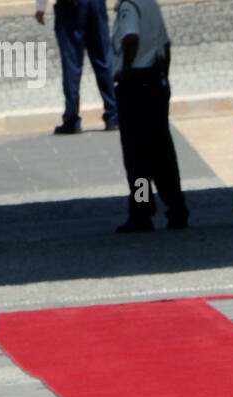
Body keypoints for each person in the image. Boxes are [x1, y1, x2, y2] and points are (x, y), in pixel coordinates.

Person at [111, 0, 188, 233]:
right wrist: (164, 77)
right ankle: (177, 209)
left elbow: (131, 37)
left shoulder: (129, 6)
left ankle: (142, 212)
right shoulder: (151, 4)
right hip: (155, 81)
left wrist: (125, 71)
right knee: (162, 153)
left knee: (138, 159)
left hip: (136, 85)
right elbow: (165, 45)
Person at [37, 0, 119, 135]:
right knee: (103, 60)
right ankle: (113, 114)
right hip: (95, 5)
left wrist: (40, 7)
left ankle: (72, 118)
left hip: (71, 6)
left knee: (71, 63)